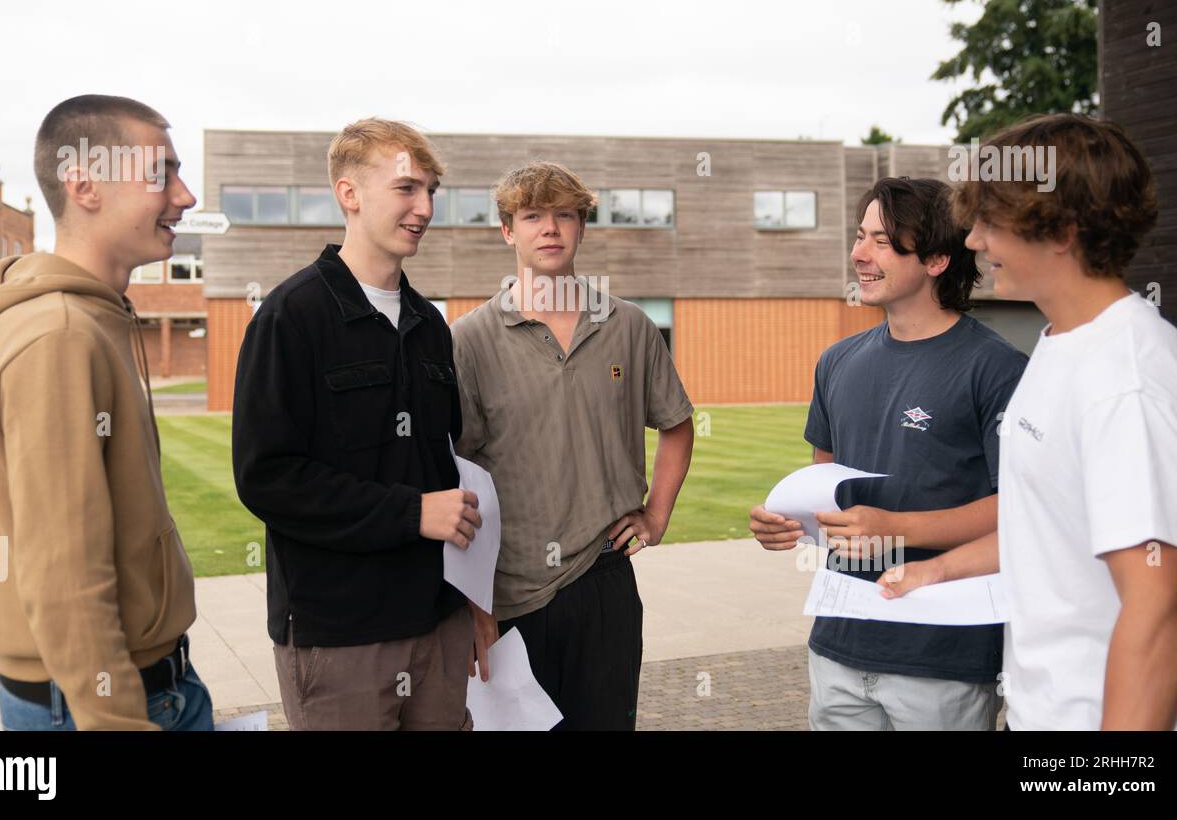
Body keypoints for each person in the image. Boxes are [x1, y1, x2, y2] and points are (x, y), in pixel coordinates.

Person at [878, 114, 1177, 730]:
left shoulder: (1125, 378)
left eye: (991, 223)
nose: (973, 241)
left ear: (1061, 231)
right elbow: (1054, 525)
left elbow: (1163, 601)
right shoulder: (1062, 345)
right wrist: (937, 567)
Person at [0, 94, 210, 730]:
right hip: (98, 703)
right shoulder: (60, 334)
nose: (184, 195)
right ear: (85, 185)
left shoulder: (84, 318)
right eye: (162, 173)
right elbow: (64, 571)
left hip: (133, 685)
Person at [750, 175, 1027, 730]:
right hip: (838, 643)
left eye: (881, 241)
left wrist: (895, 528)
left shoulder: (998, 369)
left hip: (942, 656)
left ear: (937, 259)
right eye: (860, 236)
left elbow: (1020, 513)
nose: (859, 254)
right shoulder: (836, 362)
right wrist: (790, 524)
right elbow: (825, 486)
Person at [233, 118, 481, 730]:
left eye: (431, 191)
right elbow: (268, 478)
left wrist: (473, 601)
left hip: (440, 627)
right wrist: (410, 512)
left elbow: (449, 462)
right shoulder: (291, 317)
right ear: (349, 193)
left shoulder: (429, 325)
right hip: (341, 638)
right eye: (406, 189)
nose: (424, 207)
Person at [452, 161, 695, 730]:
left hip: (604, 578)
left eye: (565, 214)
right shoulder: (469, 340)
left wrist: (656, 514)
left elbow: (677, 425)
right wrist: (474, 606)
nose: (551, 228)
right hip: (509, 593)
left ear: (583, 226)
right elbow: (457, 478)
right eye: (532, 215)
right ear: (508, 231)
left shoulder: (629, 325)